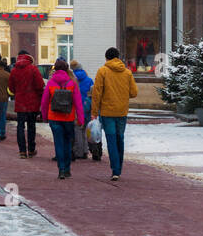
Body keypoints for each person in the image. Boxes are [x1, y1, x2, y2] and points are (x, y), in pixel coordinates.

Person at [91, 47, 138, 182]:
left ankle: (115, 169)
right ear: (118, 57)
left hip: (107, 112)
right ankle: (119, 168)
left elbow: (97, 93)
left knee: (111, 140)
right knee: (120, 139)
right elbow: (134, 93)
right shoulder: (127, 73)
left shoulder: (103, 71)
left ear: (106, 58)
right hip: (122, 111)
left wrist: (94, 112)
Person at [40, 57, 84, 179]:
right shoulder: (72, 83)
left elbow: (44, 102)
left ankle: (61, 169)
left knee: (58, 143)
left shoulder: (50, 83)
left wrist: (44, 116)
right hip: (68, 117)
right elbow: (78, 103)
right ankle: (67, 169)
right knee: (67, 144)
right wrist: (80, 118)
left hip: (54, 117)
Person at [8, 51, 45, 157]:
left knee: (20, 126)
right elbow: (40, 85)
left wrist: (18, 93)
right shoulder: (33, 69)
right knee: (31, 126)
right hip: (32, 103)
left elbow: (11, 87)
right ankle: (31, 149)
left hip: (20, 103)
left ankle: (22, 151)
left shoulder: (14, 70)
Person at [70, 61, 94, 161]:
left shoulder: (72, 78)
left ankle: (79, 152)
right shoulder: (89, 79)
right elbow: (93, 93)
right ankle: (85, 151)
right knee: (84, 130)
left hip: (76, 107)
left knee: (77, 130)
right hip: (87, 107)